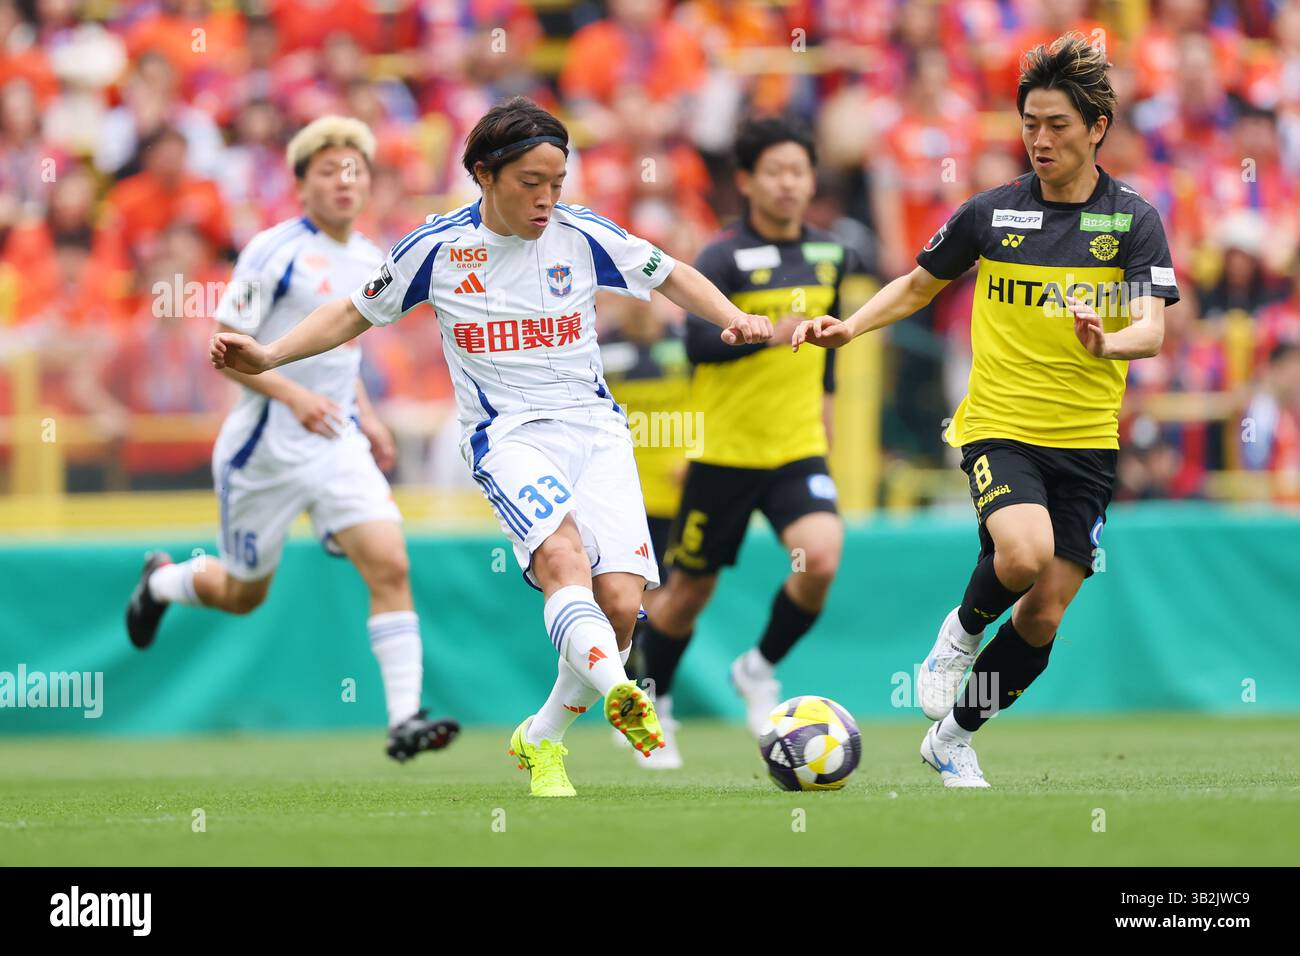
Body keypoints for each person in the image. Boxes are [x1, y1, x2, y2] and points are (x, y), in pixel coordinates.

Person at [208, 96, 772, 796]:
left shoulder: (580, 234)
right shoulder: (438, 248)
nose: (546, 199)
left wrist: (733, 317)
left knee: (622, 604)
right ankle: (624, 694)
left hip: (595, 432)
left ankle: (541, 737)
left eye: (556, 183)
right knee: (563, 558)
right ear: (483, 174)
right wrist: (268, 356)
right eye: (530, 183)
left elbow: (668, 273)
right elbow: (351, 311)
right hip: (505, 437)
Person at [794, 34, 1180, 788]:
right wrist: (852, 325)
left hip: (1089, 442)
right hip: (1000, 424)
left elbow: (1154, 330)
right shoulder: (993, 213)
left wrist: (1106, 343)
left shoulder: (1131, 220)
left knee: (1042, 616)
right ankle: (962, 629)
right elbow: (916, 284)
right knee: (1023, 555)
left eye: (1057, 124)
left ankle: (954, 735)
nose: (1040, 139)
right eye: (1030, 122)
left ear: (1097, 127)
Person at [126, 116, 459, 763]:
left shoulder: (371, 257)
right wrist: (294, 395)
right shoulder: (271, 252)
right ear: (301, 183)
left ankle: (404, 719)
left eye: (355, 171)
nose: (345, 181)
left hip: (337, 441)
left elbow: (343, 352)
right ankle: (163, 581)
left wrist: (367, 413)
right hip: (265, 447)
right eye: (330, 170)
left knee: (391, 562)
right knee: (244, 595)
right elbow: (224, 352)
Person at [636, 117, 861, 767]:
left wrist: (826, 407)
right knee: (686, 596)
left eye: (799, 170)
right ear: (746, 181)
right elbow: (697, 342)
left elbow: (830, 346)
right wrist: (765, 329)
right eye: (775, 171)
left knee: (819, 559)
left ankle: (758, 668)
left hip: (794, 447)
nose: (789, 183)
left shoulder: (830, 252)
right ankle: (659, 706)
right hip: (724, 452)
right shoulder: (722, 256)